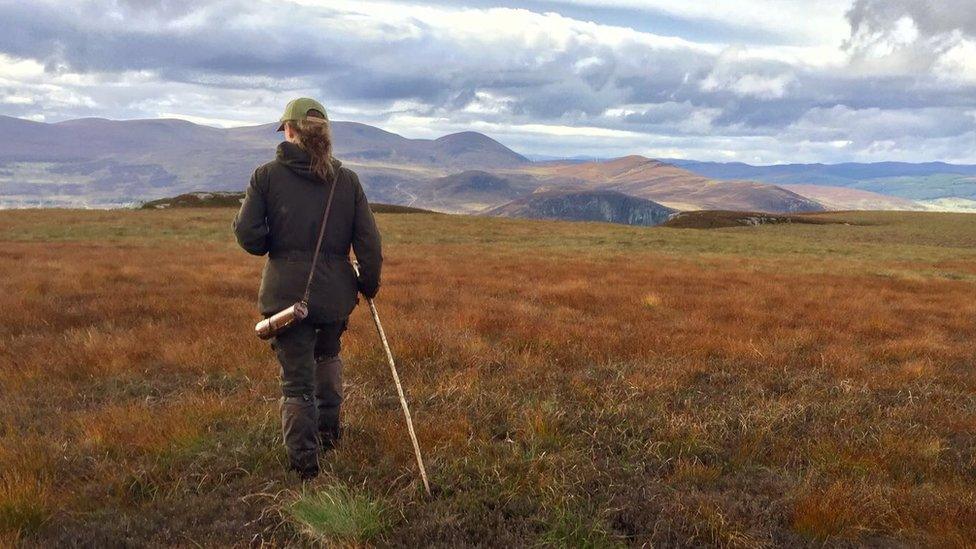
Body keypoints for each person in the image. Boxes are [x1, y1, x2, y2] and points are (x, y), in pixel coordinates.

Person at [233, 97, 382, 480]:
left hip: (285, 298)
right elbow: (369, 243)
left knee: (297, 381)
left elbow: (249, 237)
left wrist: (274, 244)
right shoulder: (346, 181)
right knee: (328, 360)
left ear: (290, 130)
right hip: (335, 296)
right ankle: (330, 439)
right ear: (325, 134)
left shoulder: (265, 177)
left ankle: (305, 465)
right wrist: (368, 285)